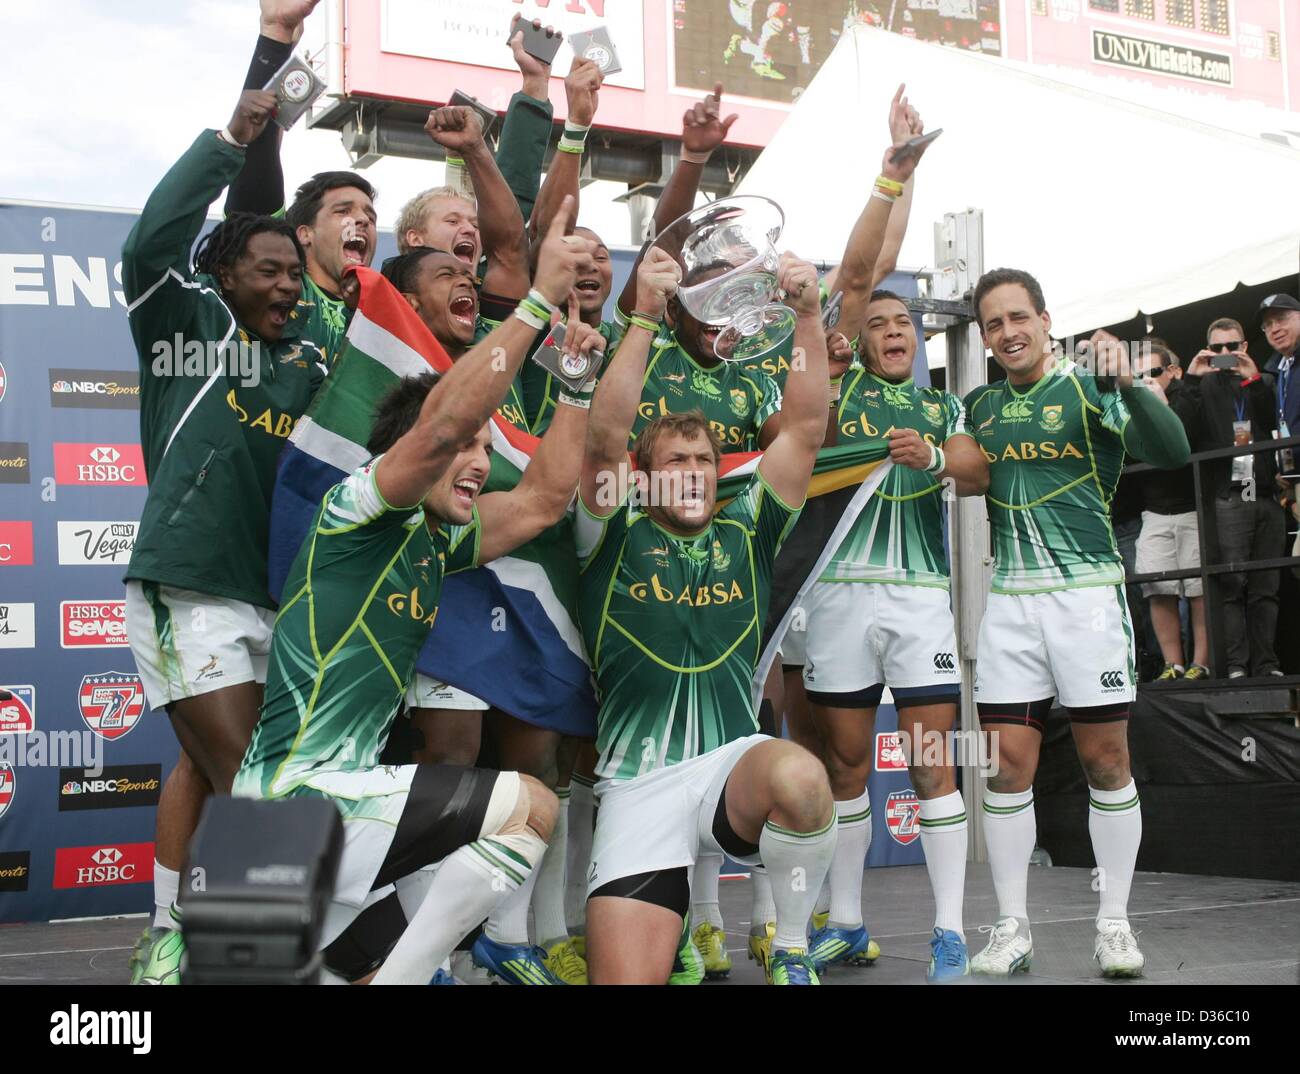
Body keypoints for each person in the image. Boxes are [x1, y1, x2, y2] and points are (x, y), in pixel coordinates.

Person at [232, 200, 604, 985]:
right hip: (301, 805)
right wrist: (534, 305)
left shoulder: (440, 542)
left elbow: (540, 500)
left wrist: (574, 384)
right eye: (467, 447)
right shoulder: (354, 510)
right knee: (528, 807)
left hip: (309, 828)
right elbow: (436, 429)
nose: (478, 462)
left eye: (483, 449)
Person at [578, 246, 838, 986]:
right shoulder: (610, 535)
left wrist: (809, 317)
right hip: (636, 787)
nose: (691, 471)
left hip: (728, 766)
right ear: (643, 479)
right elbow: (603, 435)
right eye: (673, 462)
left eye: (703, 460)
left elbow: (806, 427)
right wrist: (641, 320)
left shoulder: (748, 527)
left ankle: (790, 948)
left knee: (803, 778)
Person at [121, 88, 330, 984]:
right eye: (268, 271)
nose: (287, 285)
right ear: (225, 276)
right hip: (191, 583)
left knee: (209, 768)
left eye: (295, 272)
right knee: (247, 771)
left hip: (275, 594)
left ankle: (168, 929)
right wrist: (232, 139)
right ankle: (239, 953)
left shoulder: (314, 359)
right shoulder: (189, 327)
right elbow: (148, 245)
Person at [964, 267, 1190, 979]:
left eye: (1018, 317)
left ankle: (1114, 925)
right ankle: (1012, 928)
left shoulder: (1090, 386)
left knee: (1106, 762)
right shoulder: (977, 406)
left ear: (1044, 318)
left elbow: (1173, 452)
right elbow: (953, 469)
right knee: (1004, 772)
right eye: (994, 323)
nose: (1008, 332)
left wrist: (1126, 383)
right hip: (1008, 604)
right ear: (983, 336)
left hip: (1085, 598)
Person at [803, 281, 989, 982]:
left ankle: (949, 933)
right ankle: (846, 922)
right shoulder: (837, 391)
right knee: (845, 769)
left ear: (917, 339)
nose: (893, 333)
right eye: (878, 323)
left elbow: (977, 471)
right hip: (838, 597)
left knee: (932, 766)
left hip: (918, 602)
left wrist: (936, 458)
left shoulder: (944, 405)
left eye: (903, 324)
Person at [1177, 317, 1285, 678]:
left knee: (1266, 587)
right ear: (1209, 350)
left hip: (1265, 491)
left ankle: (1266, 665)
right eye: (1218, 349)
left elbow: (1275, 419)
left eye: (1233, 347)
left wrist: (1252, 379)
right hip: (1231, 493)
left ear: (1245, 347)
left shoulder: (1261, 380)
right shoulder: (1202, 386)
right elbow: (1182, 432)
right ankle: (1237, 666)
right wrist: (1192, 378)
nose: (1226, 355)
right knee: (1233, 584)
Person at [1132, 342, 1208, 680]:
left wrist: (1163, 409)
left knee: (1198, 590)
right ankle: (1172, 664)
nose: (1146, 380)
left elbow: (1188, 440)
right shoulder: (1132, 405)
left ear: (1173, 372)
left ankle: (1201, 663)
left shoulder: (1189, 396)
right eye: (1138, 376)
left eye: (1153, 373)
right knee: (1156, 587)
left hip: (1193, 506)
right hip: (1153, 510)